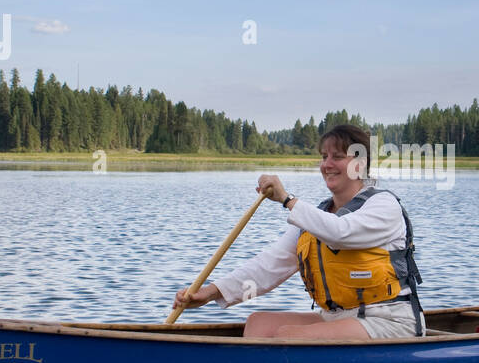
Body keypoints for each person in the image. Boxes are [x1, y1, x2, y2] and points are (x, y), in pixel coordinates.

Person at [172, 123, 424, 339]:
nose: (327, 164)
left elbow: (341, 234)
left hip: (389, 321)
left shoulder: (383, 205)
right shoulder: (318, 216)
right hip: (338, 317)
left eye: (337, 157)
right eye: (324, 157)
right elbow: (269, 266)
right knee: (257, 324)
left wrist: (286, 199)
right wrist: (208, 293)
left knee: (289, 337)